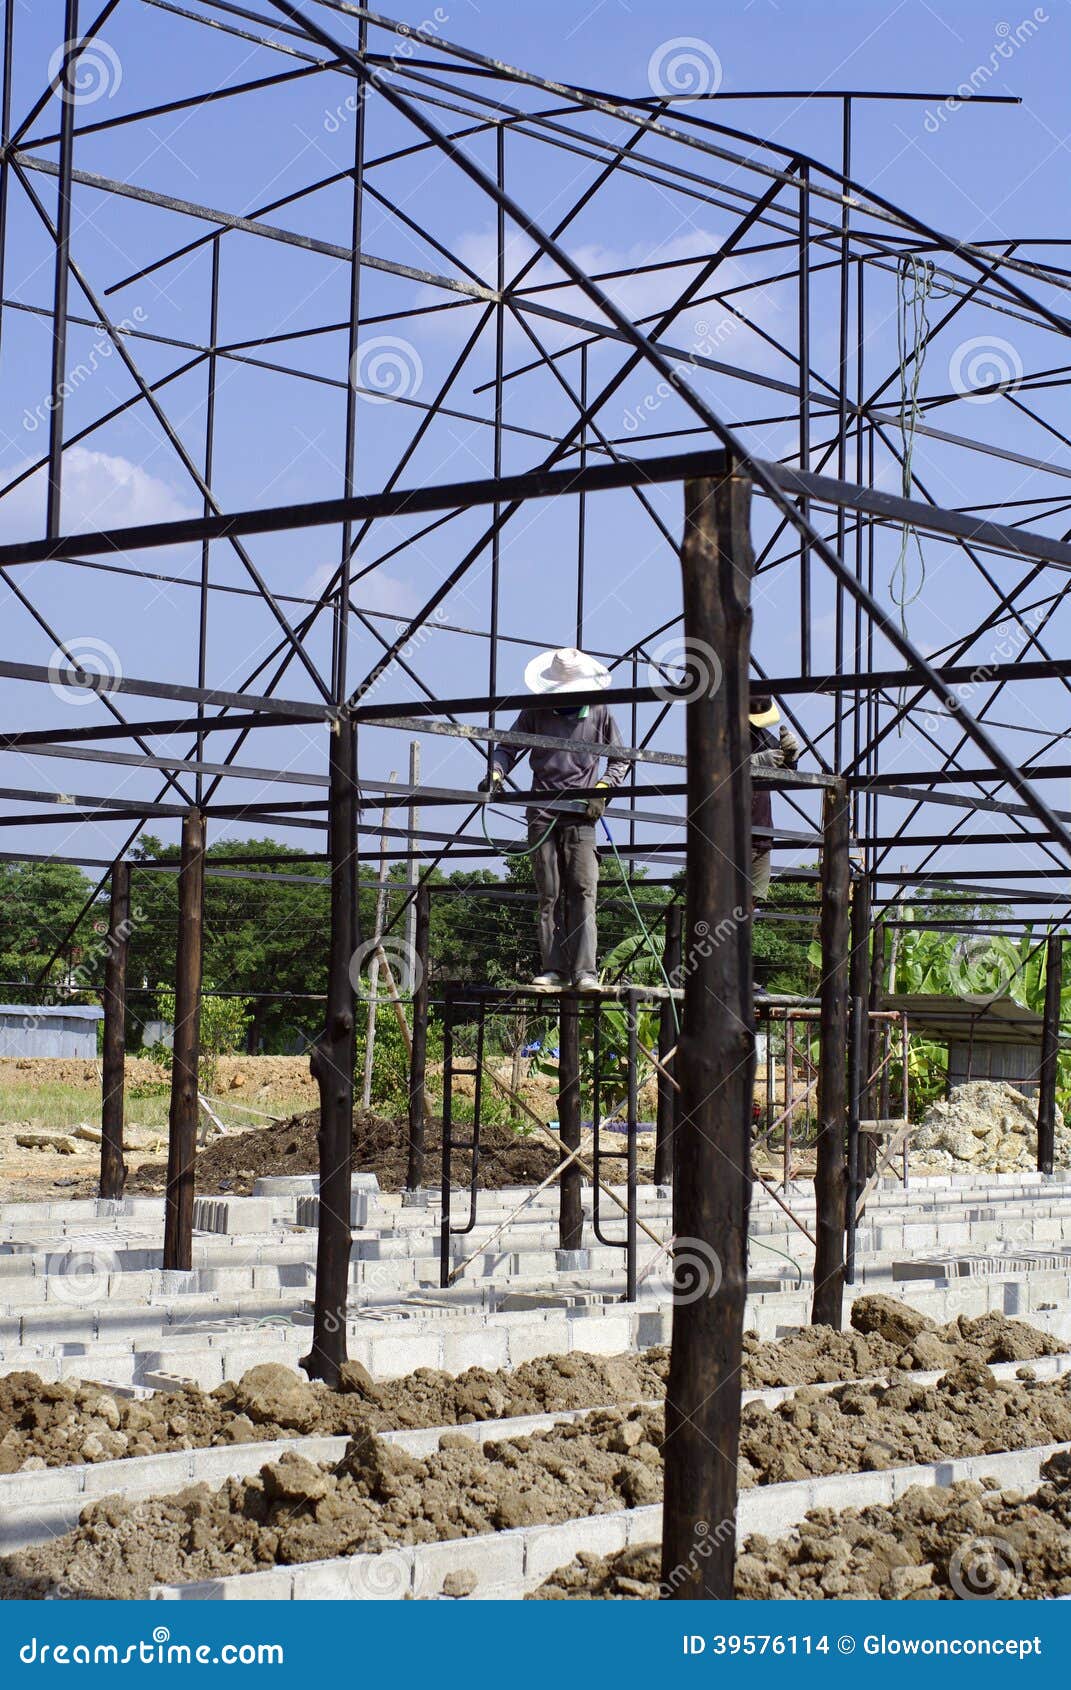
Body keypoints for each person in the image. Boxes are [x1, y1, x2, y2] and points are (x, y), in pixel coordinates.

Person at [479, 647, 628, 991]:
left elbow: (620, 758)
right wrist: (496, 773)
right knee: (549, 894)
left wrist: (602, 789)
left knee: (583, 891)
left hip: (581, 813)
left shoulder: (599, 712)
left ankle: (585, 971)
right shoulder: (536, 710)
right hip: (542, 811)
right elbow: (507, 747)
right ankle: (554, 969)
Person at [749, 695, 799, 907]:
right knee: (723, 897)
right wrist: (751, 763)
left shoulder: (764, 737)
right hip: (725, 833)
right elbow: (713, 769)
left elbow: (787, 775)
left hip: (760, 833)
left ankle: (739, 931)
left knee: (750, 900)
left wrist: (791, 758)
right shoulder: (720, 736)